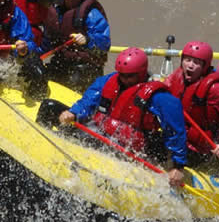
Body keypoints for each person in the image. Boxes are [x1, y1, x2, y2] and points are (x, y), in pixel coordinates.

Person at [57, 47, 188, 187]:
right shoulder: (110, 80)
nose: (124, 79)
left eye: (129, 76)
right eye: (122, 75)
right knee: (51, 107)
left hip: (131, 148)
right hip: (100, 133)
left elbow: (175, 132)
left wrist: (178, 166)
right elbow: (90, 98)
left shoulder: (159, 97)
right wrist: (74, 112)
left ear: (141, 72)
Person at [163, 41, 219, 166]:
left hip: (201, 148)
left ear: (205, 66)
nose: (190, 66)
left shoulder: (216, 89)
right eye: (187, 60)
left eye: (196, 62)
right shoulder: (176, 77)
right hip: (178, 138)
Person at [41, 0, 111, 91]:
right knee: (40, 74)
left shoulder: (91, 14)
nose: (75, 0)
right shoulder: (54, 13)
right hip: (62, 60)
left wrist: (87, 39)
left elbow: (105, 42)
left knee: (75, 82)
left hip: (86, 66)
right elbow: (47, 42)